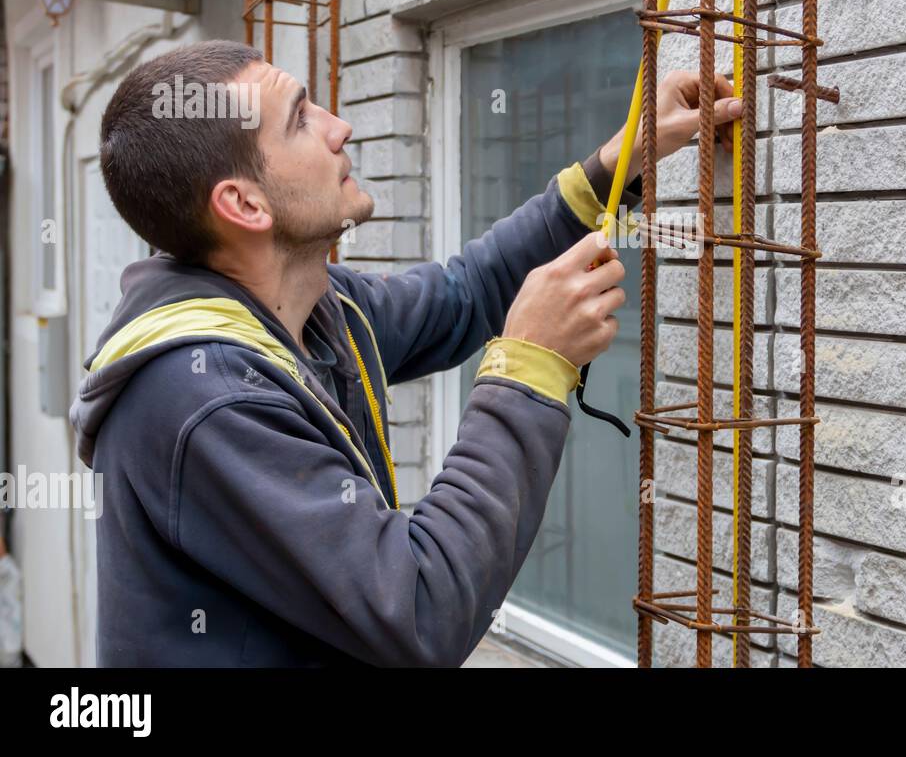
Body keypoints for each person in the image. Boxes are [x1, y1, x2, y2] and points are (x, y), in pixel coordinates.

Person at [69, 39, 740, 666]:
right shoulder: (207, 399)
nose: (340, 128)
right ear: (243, 204)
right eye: (301, 119)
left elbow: (464, 293)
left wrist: (614, 165)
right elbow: (419, 605)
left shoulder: (314, 310)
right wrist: (528, 369)